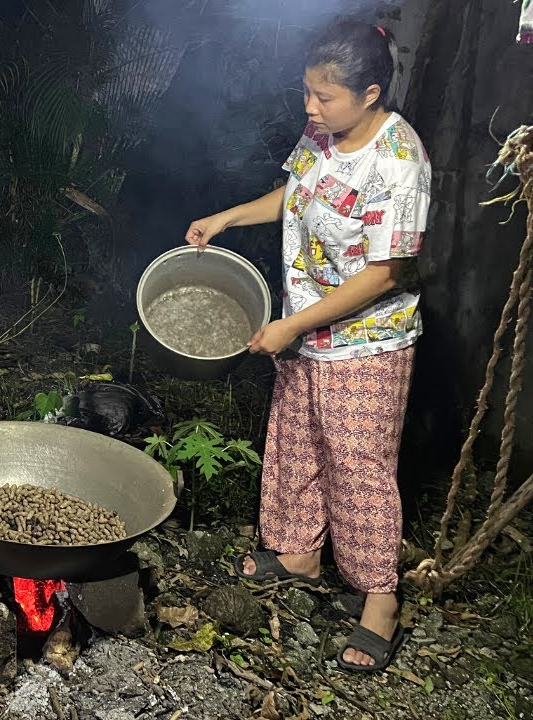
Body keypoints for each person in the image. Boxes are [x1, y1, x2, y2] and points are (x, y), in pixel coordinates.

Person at [185, 22, 431, 673]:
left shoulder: (398, 160)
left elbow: (386, 272)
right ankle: (298, 554)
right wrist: (228, 217)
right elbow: (297, 191)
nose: (310, 108)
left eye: (324, 96)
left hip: (365, 342)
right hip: (305, 325)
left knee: (358, 466)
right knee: (296, 442)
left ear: (370, 93)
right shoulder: (322, 133)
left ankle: (380, 598)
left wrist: (293, 326)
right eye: (307, 92)